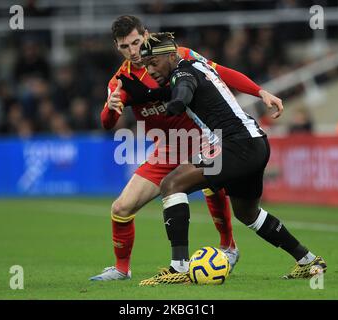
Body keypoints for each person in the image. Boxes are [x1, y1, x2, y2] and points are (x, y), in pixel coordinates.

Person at [90, 15, 283, 281]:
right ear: (117, 47)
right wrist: (110, 110)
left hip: (202, 137)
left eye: (136, 42)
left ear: (145, 35)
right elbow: (107, 122)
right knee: (121, 208)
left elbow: (221, 73)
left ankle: (228, 247)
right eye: (125, 47)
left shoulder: (176, 56)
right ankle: (122, 269)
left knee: (210, 183)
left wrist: (260, 92)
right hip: (168, 147)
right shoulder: (121, 82)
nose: (133, 51)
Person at [132, 33, 326, 286]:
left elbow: (183, 90)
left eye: (154, 63)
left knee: (172, 184)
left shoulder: (183, 72)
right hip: (255, 143)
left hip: (236, 146)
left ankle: (178, 267)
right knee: (247, 213)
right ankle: (308, 260)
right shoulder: (197, 66)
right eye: (146, 65)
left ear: (171, 56)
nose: (150, 69)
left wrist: (177, 103)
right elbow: (174, 90)